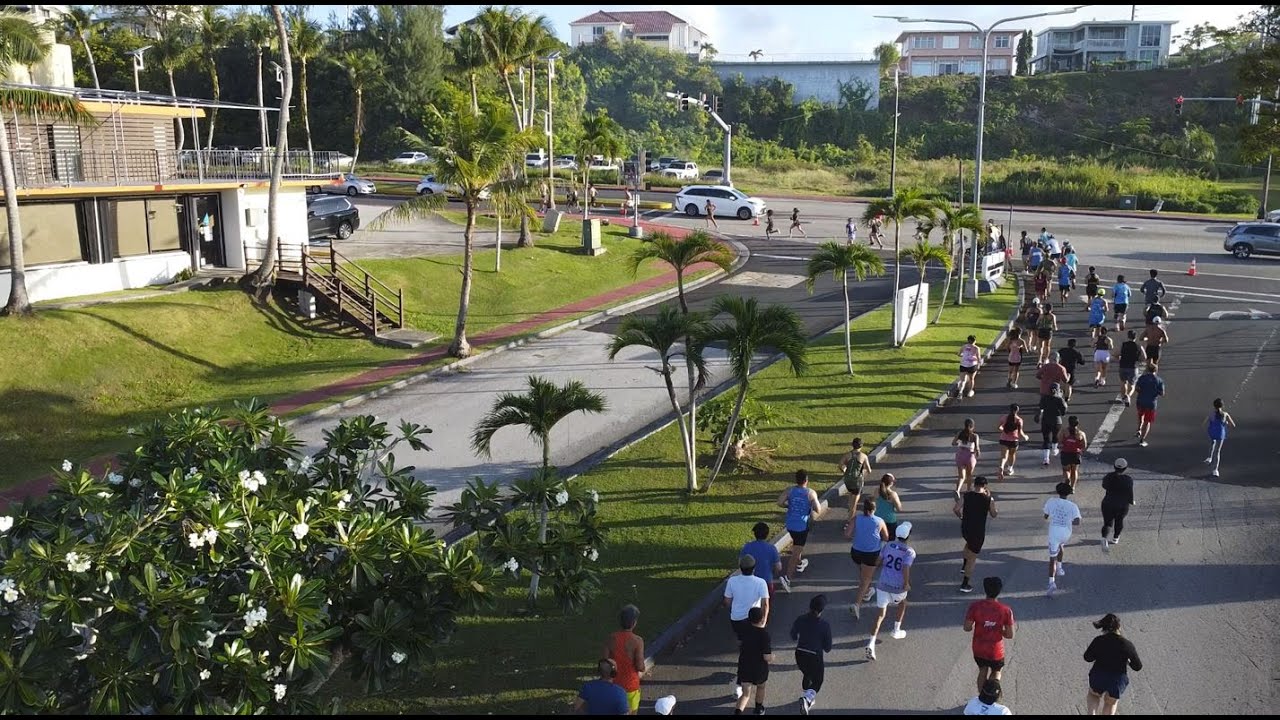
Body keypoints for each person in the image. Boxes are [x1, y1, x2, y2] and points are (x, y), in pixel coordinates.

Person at [864, 522, 915, 661]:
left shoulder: (888, 546)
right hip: (897, 587)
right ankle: (896, 629)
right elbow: (905, 568)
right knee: (902, 603)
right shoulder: (909, 552)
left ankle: (871, 643)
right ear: (908, 536)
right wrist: (906, 583)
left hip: (882, 584)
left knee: (880, 614)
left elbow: (878, 561)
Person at [725, 554, 770, 700]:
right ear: (754, 568)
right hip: (754, 621)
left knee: (744, 648)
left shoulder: (732, 581)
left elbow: (727, 601)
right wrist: (763, 622)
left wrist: (734, 610)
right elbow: (765, 604)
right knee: (750, 651)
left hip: (737, 621)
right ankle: (741, 683)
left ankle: (741, 682)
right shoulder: (761, 582)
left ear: (740, 568)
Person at [964, 577, 1016, 696]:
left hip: (979, 647)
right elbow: (1010, 635)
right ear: (999, 590)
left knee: (982, 670)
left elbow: (967, 627)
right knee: (997, 671)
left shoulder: (975, 606)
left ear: (985, 589)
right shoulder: (1006, 610)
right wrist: (999, 630)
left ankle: (981, 697)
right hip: (996, 650)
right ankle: (991, 696)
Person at [1084, 614, 1143, 715]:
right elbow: (1137, 666)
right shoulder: (1127, 644)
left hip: (1098, 676)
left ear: (1103, 627)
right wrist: (1128, 662)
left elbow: (1087, 658)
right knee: (1110, 702)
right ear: (1119, 627)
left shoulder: (1098, 640)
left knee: (1094, 695)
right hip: (1117, 680)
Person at [776, 470, 822, 593]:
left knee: (796, 544)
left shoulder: (789, 490)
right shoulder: (810, 493)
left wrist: (788, 506)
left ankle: (800, 563)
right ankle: (787, 578)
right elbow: (818, 509)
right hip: (801, 526)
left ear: (796, 480)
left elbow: (779, 502)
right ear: (806, 480)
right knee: (796, 552)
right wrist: (809, 506)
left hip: (790, 524)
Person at [845, 497, 889, 620]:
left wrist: (858, 536)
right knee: (866, 578)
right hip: (871, 554)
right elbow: (886, 537)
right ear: (874, 509)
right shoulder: (879, 521)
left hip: (856, 552)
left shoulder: (856, 518)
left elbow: (847, 534)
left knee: (862, 571)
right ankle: (857, 604)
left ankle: (868, 590)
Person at [790, 594, 832, 715]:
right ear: (822, 610)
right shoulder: (824, 625)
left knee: (807, 673)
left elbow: (793, 635)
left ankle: (806, 696)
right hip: (815, 656)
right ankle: (807, 698)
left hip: (800, 654)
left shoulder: (800, 619)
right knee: (818, 680)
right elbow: (827, 648)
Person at [954, 476, 998, 594]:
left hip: (965, 528)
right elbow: (994, 514)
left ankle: (964, 565)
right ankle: (965, 583)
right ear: (985, 486)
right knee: (973, 557)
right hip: (978, 531)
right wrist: (991, 501)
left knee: (968, 544)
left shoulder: (966, 496)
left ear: (974, 484)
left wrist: (961, 517)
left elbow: (956, 509)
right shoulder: (988, 499)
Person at [605, 605, 646, 714]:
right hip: (630, 685)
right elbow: (640, 666)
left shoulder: (611, 638)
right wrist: (643, 668)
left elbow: (604, 662)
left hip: (613, 685)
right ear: (634, 623)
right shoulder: (637, 641)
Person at [1044, 482, 1082, 597]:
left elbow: (1045, 516)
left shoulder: (1051, 501)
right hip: (1066, 533)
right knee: (1061, 545)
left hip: (1054, 532)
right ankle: (1060, 568)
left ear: (1057, 491)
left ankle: (1051, 582)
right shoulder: (1073, 506)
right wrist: (1067, 520)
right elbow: (1077, 522)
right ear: (1069, 493)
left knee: (1052, 558)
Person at [734, 606, 773, 716]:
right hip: (759, 669)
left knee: (745, 694)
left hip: (744, 666)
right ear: (762, 619)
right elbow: (766, 656)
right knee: (761, 687)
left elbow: (739, 643)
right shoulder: (764, 635)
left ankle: (738, 712)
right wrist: (772, 657)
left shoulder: (743, 631)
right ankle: (758, 708)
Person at [1099, 458, 1134, 552]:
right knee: (1119, 521)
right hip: (1122, 505)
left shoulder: (1108, 477)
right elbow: (1130, 492)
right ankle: (1115, 538)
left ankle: (1104, 538)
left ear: (1114, 466)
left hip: (1108, 503)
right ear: (1125, 468)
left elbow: (1104, 486)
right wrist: (1131, 501)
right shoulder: (1128, 479)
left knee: (1107, 523)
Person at [742, 522, 783, 596]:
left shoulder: (747, 547)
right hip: (767, 582)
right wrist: (773, 573)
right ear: (767, 534)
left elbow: (741, 563)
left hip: (750, 582)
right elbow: (778, 567)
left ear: (755, 534)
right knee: (767, 601)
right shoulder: (772, 548)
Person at [838, 438, 872, 522]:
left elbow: (840, 464)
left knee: (851, 493)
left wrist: (845, 470)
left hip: (847, 480)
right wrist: (863, 472)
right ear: (861, 446)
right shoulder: (863, 456)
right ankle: (850, 521)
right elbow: (869, 470)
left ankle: (850, 509)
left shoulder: (847, 455)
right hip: (857, 481)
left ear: (852, 445)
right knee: (854, 504)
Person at [1133, 363, 1165, 447]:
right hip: (1151, 404)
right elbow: (1162, 393)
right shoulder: (1159, 380)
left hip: (1140, 401)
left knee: (1140, 415)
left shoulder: (1142, 378)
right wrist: (1155, 392)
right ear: (1156, 370)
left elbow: (1137, 388)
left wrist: (1142, 392)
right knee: (1147, 422)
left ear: (1147, 369)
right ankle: (1142, 440)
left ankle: (1138, 429)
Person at [1204, 398, 1236, 478]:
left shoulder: (1211, 414)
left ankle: (1209, 457)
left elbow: (1204, 423)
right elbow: (1233, 425)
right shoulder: (1225, 414)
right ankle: (1215, 470)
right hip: (1220, 434)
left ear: (1214, 406)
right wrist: (1226, 423)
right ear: (1222, 406)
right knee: (1218, 451)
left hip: (1212, 432)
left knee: (1212, 443)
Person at [1033, 352, 1068, 425]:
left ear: (1050, 358)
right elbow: (1065, 380)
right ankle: (1055, 418)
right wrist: (1069, 376)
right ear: (1058, 359)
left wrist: (1043, 379)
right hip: (1055, 389)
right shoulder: (1061, 368)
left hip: (1044, 388)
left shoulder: (1045, 366)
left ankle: (1040, 411)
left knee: (1043, 403)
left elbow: (1037, 375)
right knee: (1056, 404)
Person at [995, 404, 1028, 480]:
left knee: (1003, 456)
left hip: (1004, 439)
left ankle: (1001, 466)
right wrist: (1025, 436)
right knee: (1012, 455)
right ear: (1017, 410)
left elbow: (999, 427)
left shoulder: (1004, 417)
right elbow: (1020, 432)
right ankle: (1010, 469)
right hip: (1014, 440)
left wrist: (1004, 430)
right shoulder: (1019, 420)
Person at [1114, 330, 1145, 407]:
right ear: (1135, 337)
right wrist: (1139, 360)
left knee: (1123, 382)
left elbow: (1116, 353)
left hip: (1123, 366)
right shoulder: (1138, 346)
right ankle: (1128, 396)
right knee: (1132, 384)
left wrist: (1118, 358)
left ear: (1128, 336)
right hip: (1133, 367)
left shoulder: (1123, 345)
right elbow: (1144, 357)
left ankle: (1123, 398)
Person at [1058, 415, 1089, 489]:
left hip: (1065, 453)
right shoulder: (1081, 433)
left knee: (1066, 470)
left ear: (1069, 423)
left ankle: (1067, 479)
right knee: (1074, 470)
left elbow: (1059, 440)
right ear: (1077, 423)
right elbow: (1084, 445)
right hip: (1076, 454)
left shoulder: (1063, 431)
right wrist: (1080, 449)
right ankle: (1072, 487)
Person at [952, 418, 981, 495]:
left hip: (960, 455)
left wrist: (959, 444)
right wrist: (977, 453)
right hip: (970, 456)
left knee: (961, 476)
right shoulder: (975, 436)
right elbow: (977, 448)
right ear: (973, 426)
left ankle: (957, 490)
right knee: (969, 475)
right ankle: (968, 490)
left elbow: (953, 443)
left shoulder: (960, 433)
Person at [873, 473, 903, 539]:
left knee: (878, 539)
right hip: (890, 521)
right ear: (891, 483)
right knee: (890, 540)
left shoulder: (876, 491)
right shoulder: (893, 494)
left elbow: (874, 502)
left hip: (878, 519)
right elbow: (899, 509)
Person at [1058, 337, 1085, 402]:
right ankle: (1067, 398)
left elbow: (1057, 356)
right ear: (1075, 345)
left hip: (1063, 368)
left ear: (1068, 344)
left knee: (1062, 382)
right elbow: (1082, 362)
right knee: (1069, 384)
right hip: (1071, 370)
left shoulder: (1062, 350)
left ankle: (1060, 394)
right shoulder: (1077, 352)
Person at [956, 335, 982, 399]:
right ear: (974, 341)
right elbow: (978, 358)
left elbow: (959, 354)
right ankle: (970, 392)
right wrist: (979, 365)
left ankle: (960, 393)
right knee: (971, 379)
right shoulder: (976, 348)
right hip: (972, 365)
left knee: (963, 380)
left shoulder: (964, 346)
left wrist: (964, 356)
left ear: (968, 340)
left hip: (963, 365)